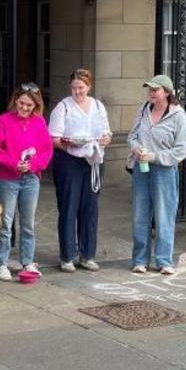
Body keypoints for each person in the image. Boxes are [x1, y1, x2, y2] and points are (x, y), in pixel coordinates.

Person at [48, 69, 112, 272]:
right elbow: (54, 138)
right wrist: (70, 145)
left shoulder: (98, 106)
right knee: (69, 207)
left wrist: (105, 140)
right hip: (69, 160)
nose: (77, 91)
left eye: (81, 88)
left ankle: (87, 254)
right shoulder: (63, 107)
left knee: (90, 208)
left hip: (93, 160)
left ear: (89, 87)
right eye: (74, 88)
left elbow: (107, 133)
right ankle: (67, 255)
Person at [128, 74, 186, 275]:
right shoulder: (144, 109)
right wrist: (136, 149)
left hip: (164, 170)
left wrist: (154, 156)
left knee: (164, 216)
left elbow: (182, 150)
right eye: (150, 89)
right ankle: (140, 260)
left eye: (155, 90)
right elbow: (132, 136)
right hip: (142, 168)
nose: (151, 93)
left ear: (167, 92)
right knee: (140, 215)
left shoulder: (177, 115)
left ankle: (164, 261)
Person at [0, 83, 53, 280]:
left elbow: (47, 150)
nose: (25, 108)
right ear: (15, 100)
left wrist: (33, 165)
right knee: (6, 223)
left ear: (36, 106)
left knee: (28, 224)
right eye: (22, 103)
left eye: (29, 105)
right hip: (9, 177)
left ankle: (27, 261)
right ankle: (2, 263)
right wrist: (13, 164)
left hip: (30, 178)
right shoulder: (4, 120)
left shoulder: (39, 122)